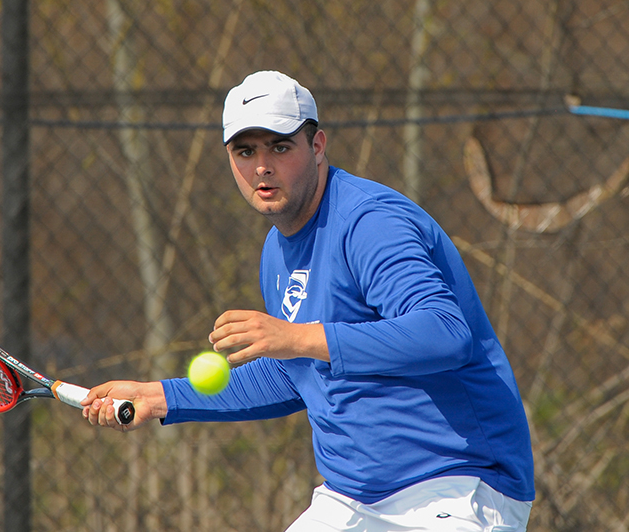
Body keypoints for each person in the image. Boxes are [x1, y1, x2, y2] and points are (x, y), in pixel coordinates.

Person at [82, 70, 535, 531]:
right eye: (245, 151)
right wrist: (159, 397)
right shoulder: (275, 251)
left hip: (456, 486)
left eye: (279, 147)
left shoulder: (369, 223)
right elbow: (293, 373)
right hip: (352, 497)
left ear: (317, 146)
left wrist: (296, 336)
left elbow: (444, 333)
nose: (262, 165)